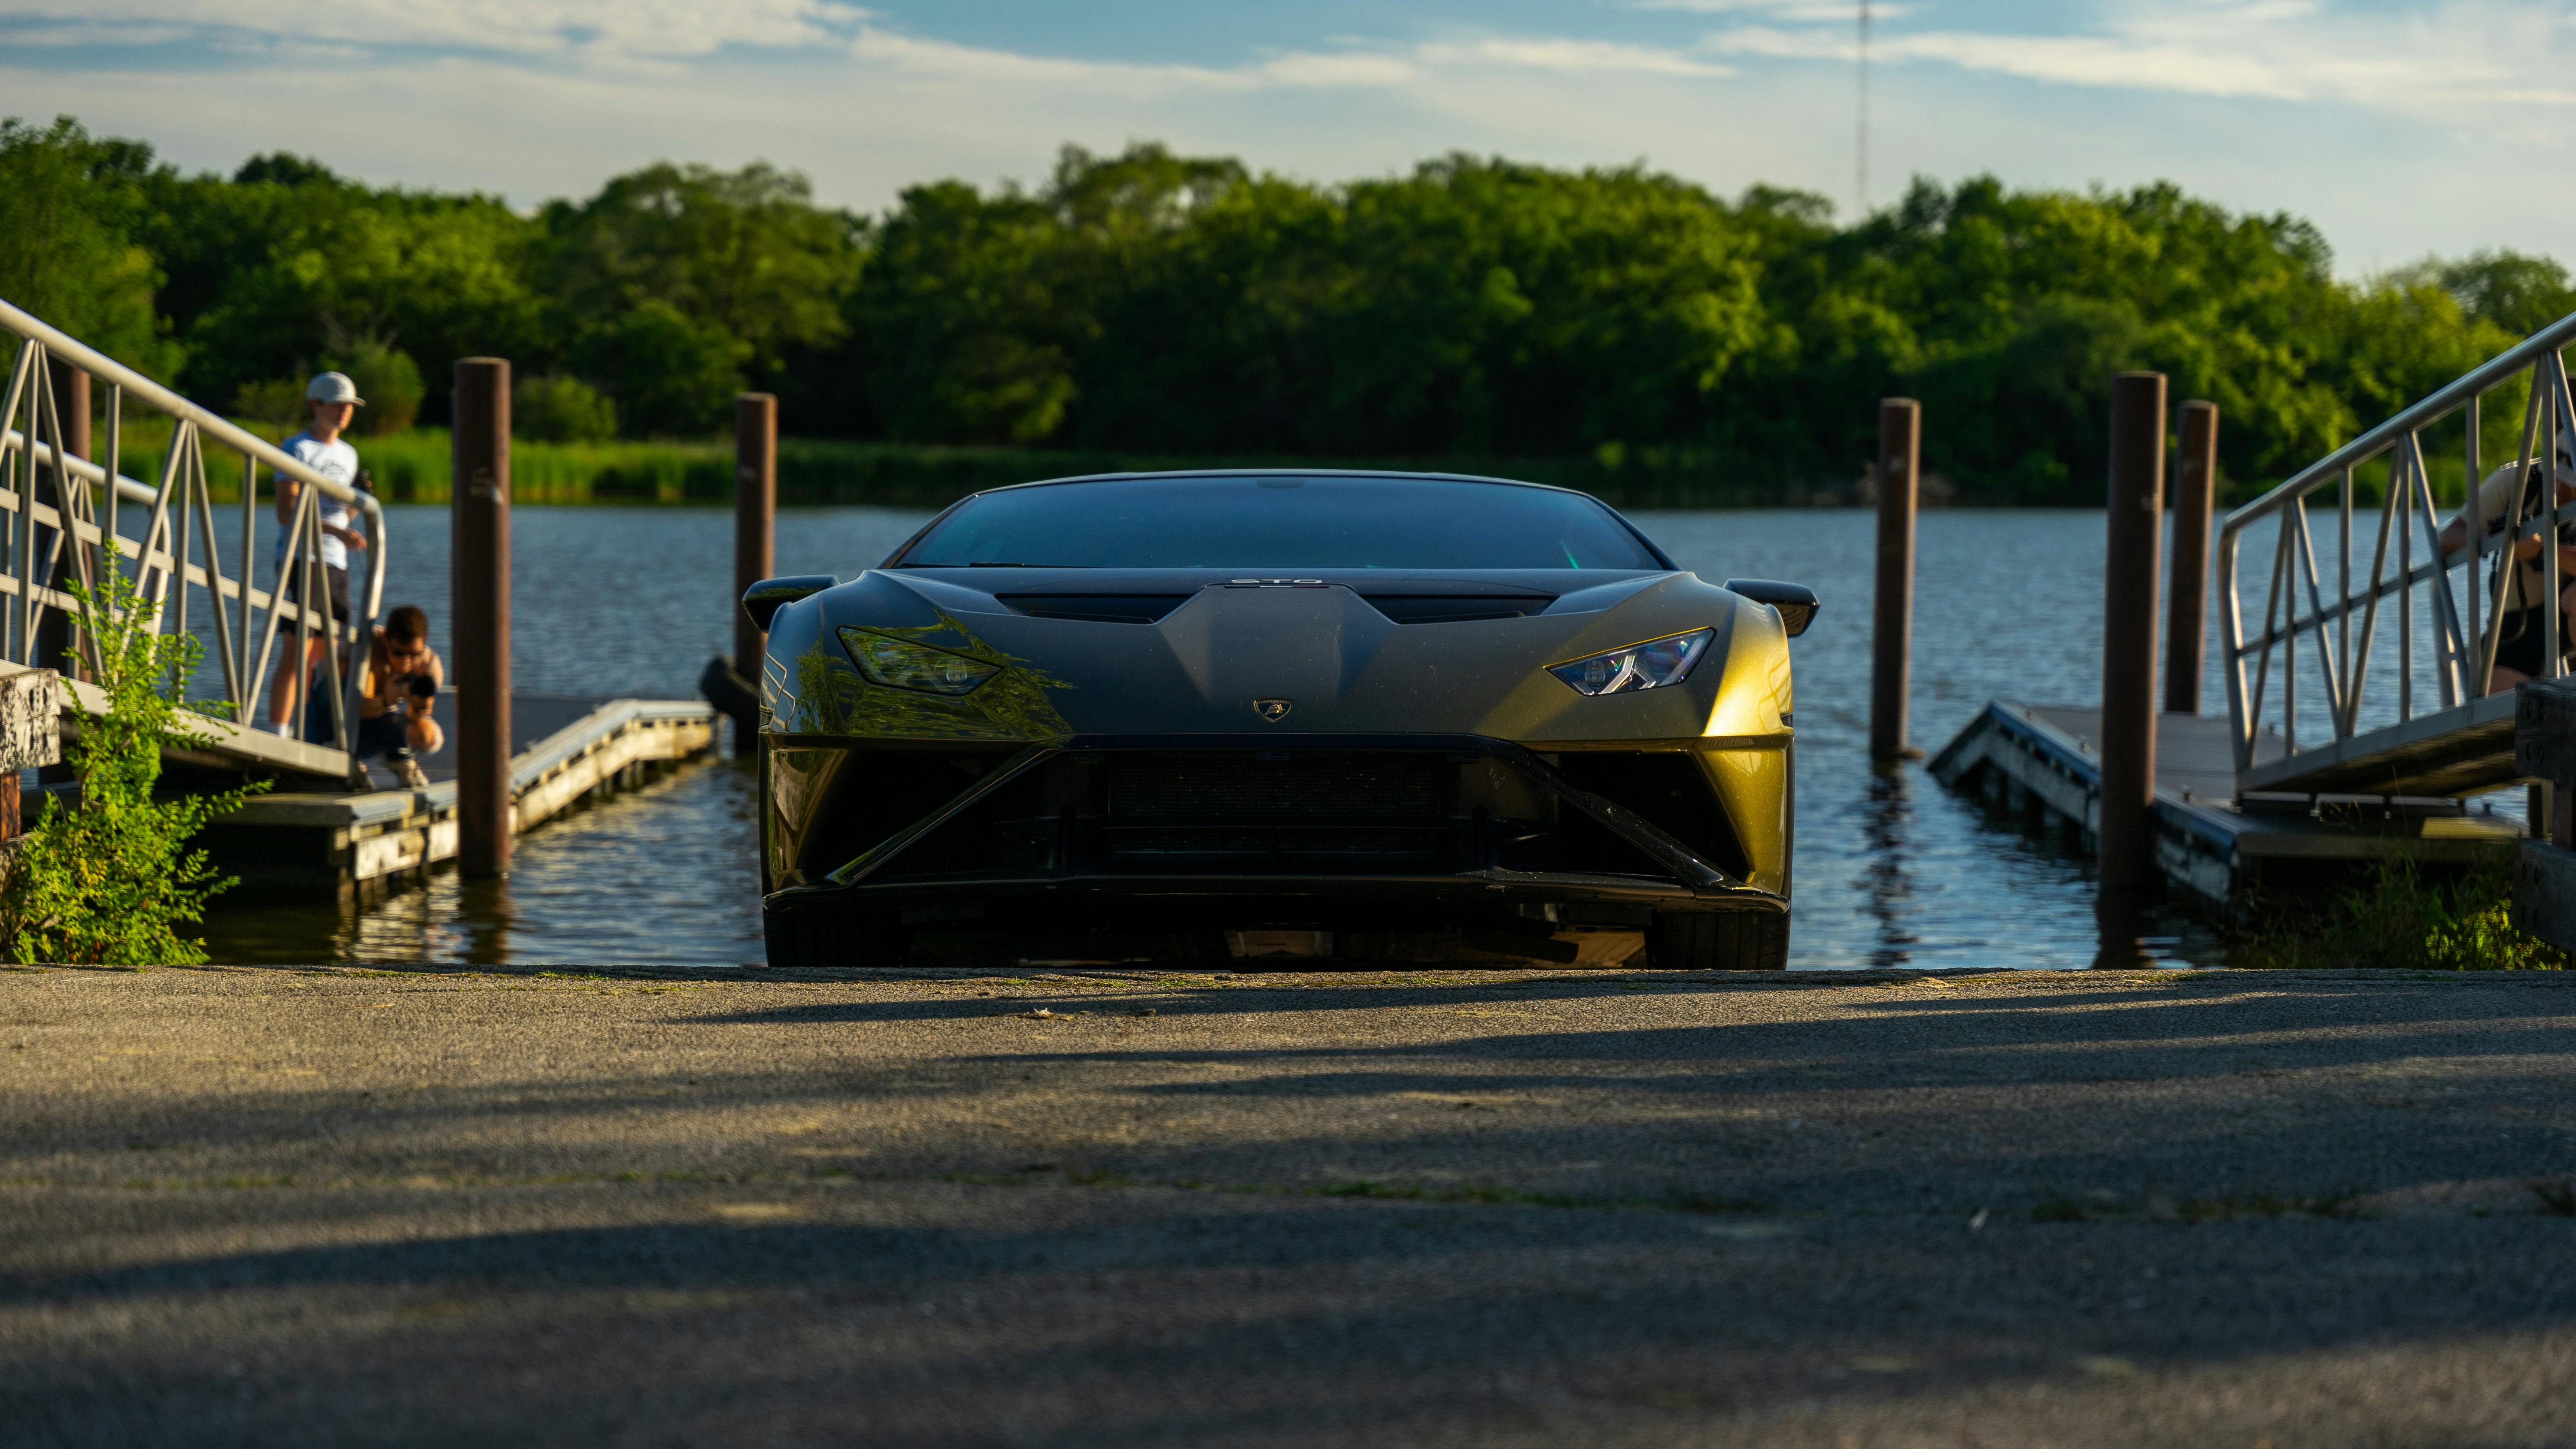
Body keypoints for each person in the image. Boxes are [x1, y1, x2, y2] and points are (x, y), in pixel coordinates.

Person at [266, 372, 370, 737]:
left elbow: (343, 513)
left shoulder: (349, 454)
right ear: (316, 406)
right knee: (296, 649)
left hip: (336, 562)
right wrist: (335, 531)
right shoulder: (297, 449)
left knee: (327, 654)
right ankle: (278, 733)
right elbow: (286, 511)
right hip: (301, 558)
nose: (344, 413)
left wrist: (358, 502)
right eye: (337, 405)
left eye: (350, 407)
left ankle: (311, 731)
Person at [2441, 444, 2576, 693]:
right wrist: (2496, 536)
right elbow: (2448, 538)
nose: (2559, 488)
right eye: (2555, 476)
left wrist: (2541, 548)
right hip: (2519, 622)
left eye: (2570, 482)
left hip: (2568, 612)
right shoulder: (2515, 480)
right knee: (2499, 713)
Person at [346, 605, 444, 790]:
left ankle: (400, 758)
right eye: (398, 653)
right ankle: (350, 762)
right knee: (390, 726)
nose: (406, 663)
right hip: (340, 721)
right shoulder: (368, 649)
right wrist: (386, 700)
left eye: (414, 654)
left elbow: (419, 717)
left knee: (427, 736)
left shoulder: (430, 666)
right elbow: (355, 709)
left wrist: (416, 703)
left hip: (381, 721)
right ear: (386, 639)